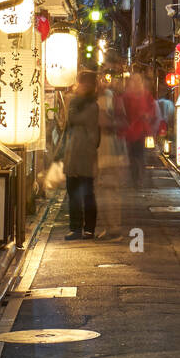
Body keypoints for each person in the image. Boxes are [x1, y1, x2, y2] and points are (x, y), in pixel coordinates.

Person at [64, 70, 100, 239]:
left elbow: (74, 119)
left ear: (91, 86)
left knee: (86, 193)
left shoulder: (92, 106)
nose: (80, 86)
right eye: (80, 82)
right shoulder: (77, 102)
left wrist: (72, 102)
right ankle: (75, 227)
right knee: (73, 193)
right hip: (73, 154)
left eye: (83, 83)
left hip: (85, 154)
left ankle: (88, 228)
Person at [95, 73, 127, 238]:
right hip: (112, 148)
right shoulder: (112, 97)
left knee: (108, 189)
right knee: (108, 189)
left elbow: (103, 120)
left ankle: (113, 228)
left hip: (108, 149)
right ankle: (111, 227)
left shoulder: (105, 98)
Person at [119, 71, 159, 186]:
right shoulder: (127, 96)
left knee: (141, 154)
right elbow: (122, 111)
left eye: (138, 80)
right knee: (132, 155)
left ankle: (139, 177)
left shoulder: (146, 95)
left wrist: (147, 115)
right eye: (134, 80)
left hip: (143, 130)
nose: (136, 83)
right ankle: (135, 177)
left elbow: (152, 110)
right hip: (130, 130)